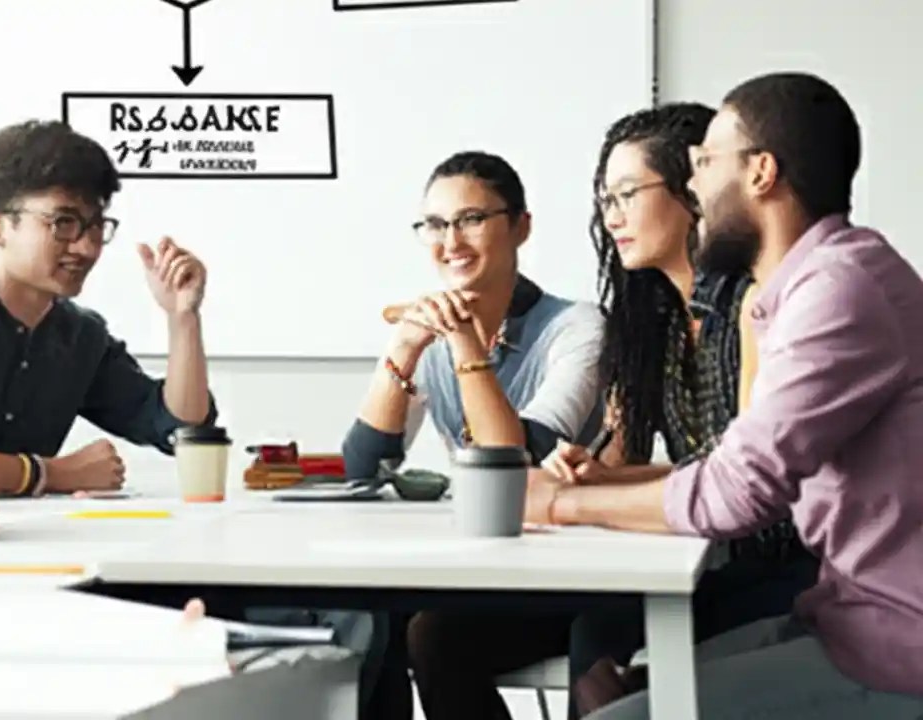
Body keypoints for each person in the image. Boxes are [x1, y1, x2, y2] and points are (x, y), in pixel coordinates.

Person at [544, 72, 923, 718]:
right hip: (839, 619)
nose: (694, 185)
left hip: (892, 648)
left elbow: (736, 491)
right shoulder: (816, 286)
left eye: (704, 162)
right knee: (627, 686)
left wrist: (558, 504)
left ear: (761, 172)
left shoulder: (838, 292)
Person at [538, 103, 817, 714]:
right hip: (719, 553)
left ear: (693, 191)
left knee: (603, 636)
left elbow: (750, 489)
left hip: (796, 564)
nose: (612, 216)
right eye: (605, 200)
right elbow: (683, 464)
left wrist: (579, 496)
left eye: (627, 194)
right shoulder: (654, 320)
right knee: (592, 631)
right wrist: (596, 473)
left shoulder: (755, 306)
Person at [340, 151, 607, 720]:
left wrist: (463, 342)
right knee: (370, 621)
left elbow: (516, 461)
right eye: (435, 225)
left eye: (471, 220)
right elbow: (363, 470)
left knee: (435, 636)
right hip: (477, 567)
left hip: (572, 575)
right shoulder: (432, 331)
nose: (450, 242)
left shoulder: (577, 326)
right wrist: (404, 348)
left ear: (521, 227)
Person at [0, 120, 217, 497]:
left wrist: (183, 317)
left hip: (27, 531)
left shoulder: (80, 336)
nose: (86, 247)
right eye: (63, 222)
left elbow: (181, 431)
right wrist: (47, 473)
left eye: (95, 225)